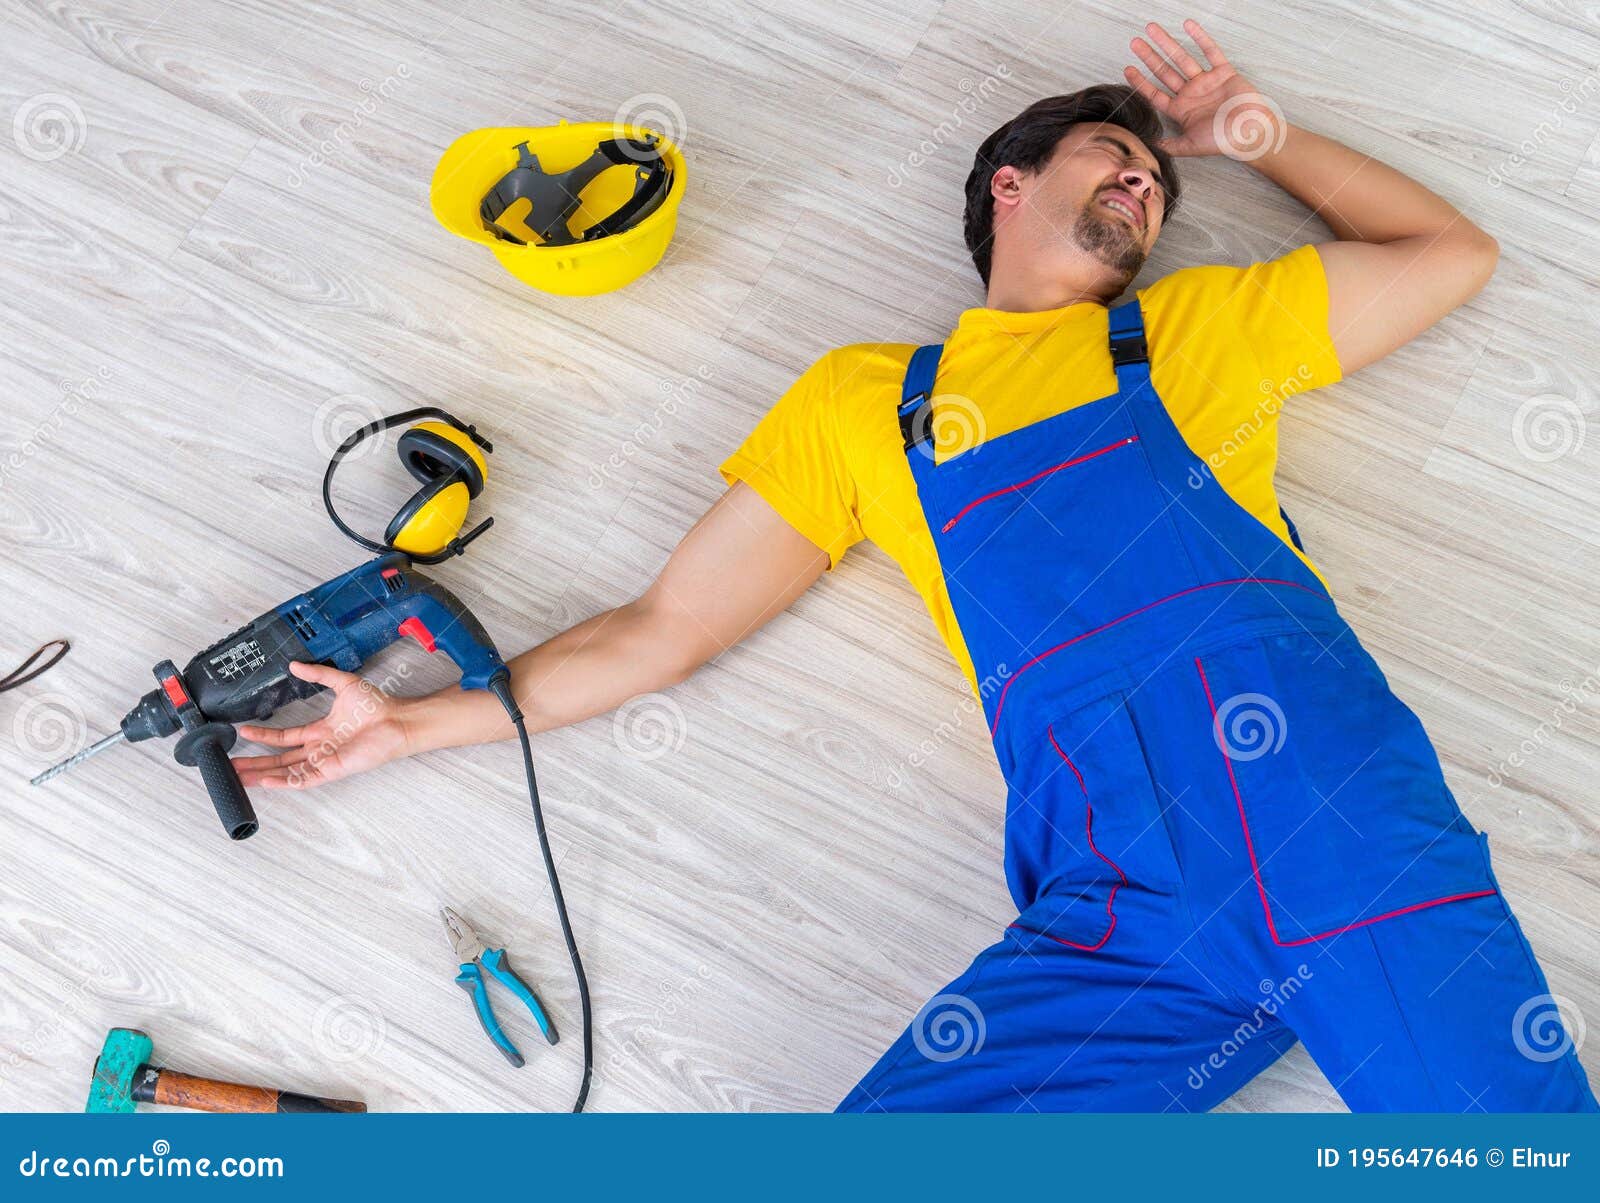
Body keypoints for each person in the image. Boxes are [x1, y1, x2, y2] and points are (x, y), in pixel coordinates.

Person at [233, 20, 1596, 1112]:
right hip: (1119, 906)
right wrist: (416, 726)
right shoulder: (864, 404)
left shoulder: (1200, 330)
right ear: (1011, 184)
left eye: (1157, 184)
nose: (1144, 183)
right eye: (1116, 156)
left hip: (1327, 817)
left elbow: (1448, 254)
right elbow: (664, 627)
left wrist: (1257, 135)